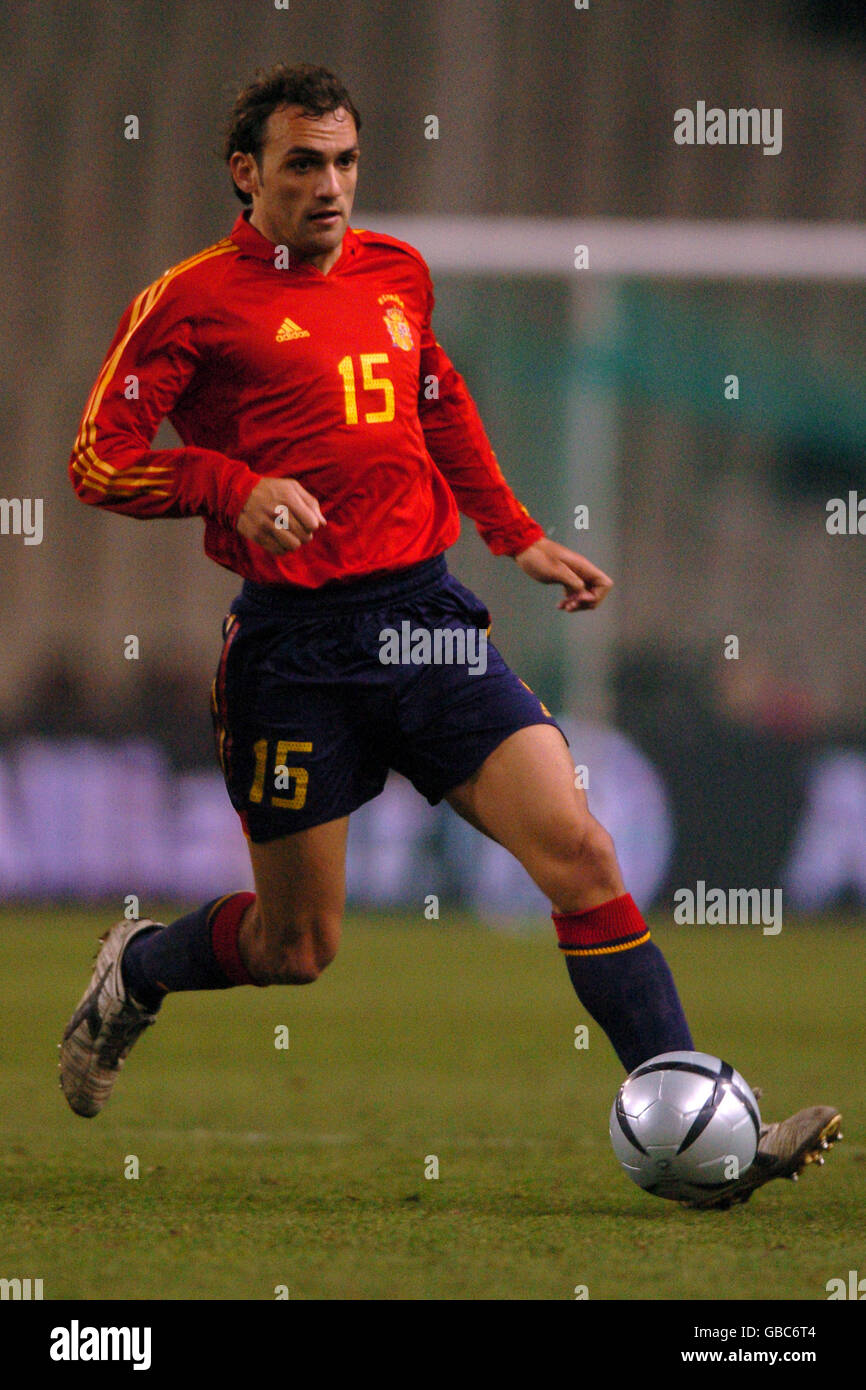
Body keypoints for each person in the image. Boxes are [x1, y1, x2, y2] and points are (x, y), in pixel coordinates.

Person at [60, 63, 840, 1209]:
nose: (330, 186)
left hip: (426, 621)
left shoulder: (394, 272)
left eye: (344, 161)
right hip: (295, 652)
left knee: (579, 854)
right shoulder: (190, 301)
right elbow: (94, 460)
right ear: (246, 174)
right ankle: (137, 966)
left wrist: (514, 531)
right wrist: (229, 484)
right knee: (296, 949)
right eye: (302, 164)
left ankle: (699, 1135)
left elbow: (435, 403)